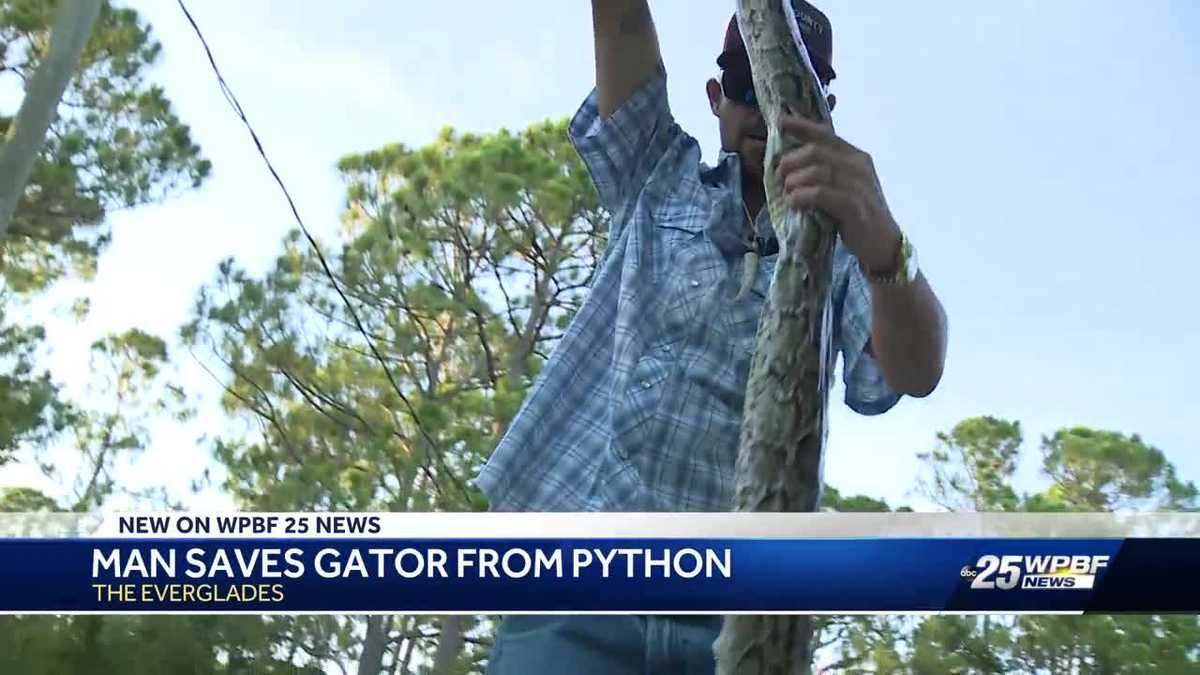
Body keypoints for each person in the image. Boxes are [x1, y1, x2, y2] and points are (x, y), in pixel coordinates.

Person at [475, 1, 948, 672]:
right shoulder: (658, 170)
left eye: (792, 94)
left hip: (741, 611)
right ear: (716, 97)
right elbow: (623, 23)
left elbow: (915, 370)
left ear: (826, 112)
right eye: (745, 86)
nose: (766, 108)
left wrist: (883, 239)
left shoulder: (845, 248)